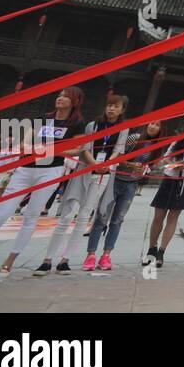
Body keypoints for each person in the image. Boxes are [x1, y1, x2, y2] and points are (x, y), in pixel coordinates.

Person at [0, 87, 86, 279]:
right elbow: (25, 141)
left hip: (50, 171)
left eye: (66, 96)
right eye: (59, 95)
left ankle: (9, 262)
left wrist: (50, 150)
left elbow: (77, 149)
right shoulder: (44, 118)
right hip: (25, 168)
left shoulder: (76, 123)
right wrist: (27, 147)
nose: (60, 98)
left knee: (31, 217)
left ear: (75, 101)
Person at [34, 94, 128, 276]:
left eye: (116, 106)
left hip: (103, 175)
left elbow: (118, 150)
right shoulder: (93, 125)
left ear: (122, 110)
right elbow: (85, 148)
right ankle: (47, 259)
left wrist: (106, 165)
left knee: (84, 216)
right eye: (109, 105)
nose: (111, 109)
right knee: (67, 215)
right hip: (85, 170)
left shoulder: (123, 129)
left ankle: (65, 260)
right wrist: (95, 164)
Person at [85, 118, 161, 270]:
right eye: (152, 123)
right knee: (101, 218)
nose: (153, 126)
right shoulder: (135, 138)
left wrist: (144, 169)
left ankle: (106, 255)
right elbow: (117, 156)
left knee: (117, 220)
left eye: (157, 125)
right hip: (114, 180)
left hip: (131, 185)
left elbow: (150, 166)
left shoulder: (157, 148)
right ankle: (90, 255)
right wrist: (131, 165)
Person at [143, 118, 184, 268]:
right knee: (158, 216)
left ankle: (161, 251)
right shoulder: (179, 140)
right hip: (170, 178)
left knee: (173, 217)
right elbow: (166, 157)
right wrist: (174, 164)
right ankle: (151, 249)